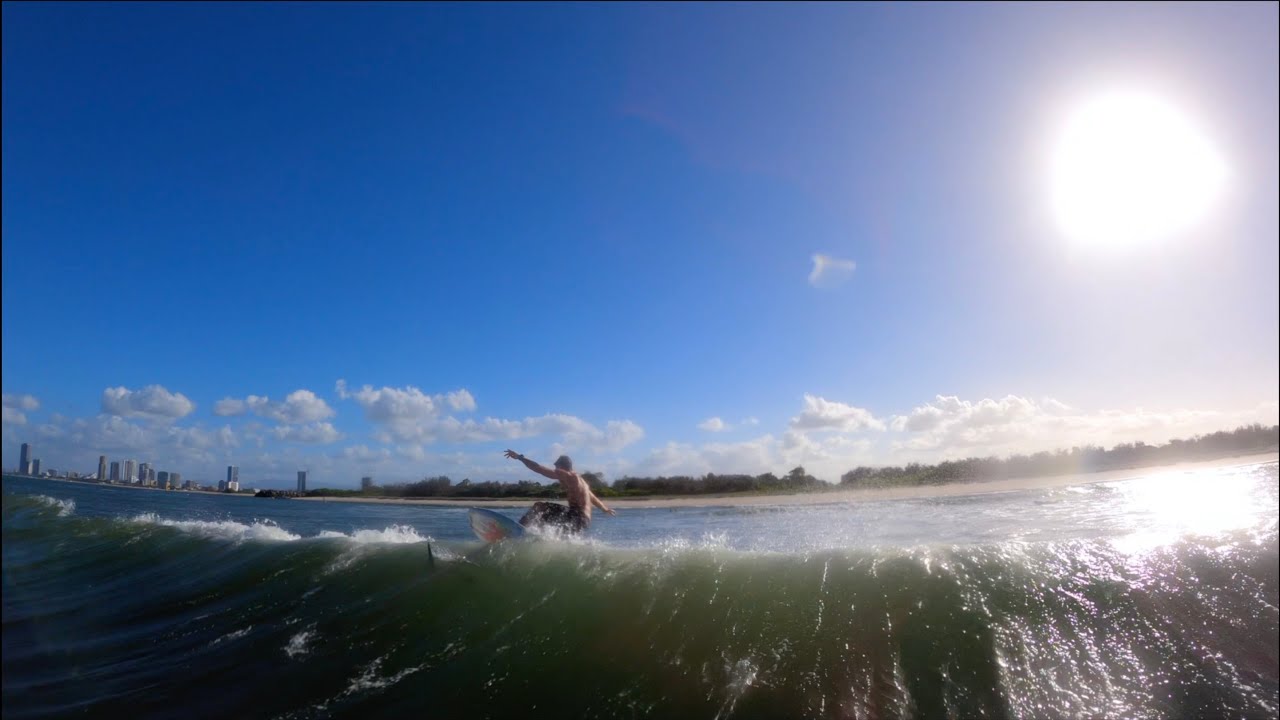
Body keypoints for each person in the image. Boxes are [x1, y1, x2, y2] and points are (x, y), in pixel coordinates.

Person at [503, 450, 616, 533]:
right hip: (583, 522)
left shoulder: (568, 475)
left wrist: (520, 457)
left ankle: (516, 530)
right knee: (547, 522)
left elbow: (539, 469)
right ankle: (533, 534)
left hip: (576, 517)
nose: (556, 470)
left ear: (562, 467)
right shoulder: (581, 483)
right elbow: (592, 498)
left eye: (556, 467)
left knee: (539, 507)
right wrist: (605, 509)